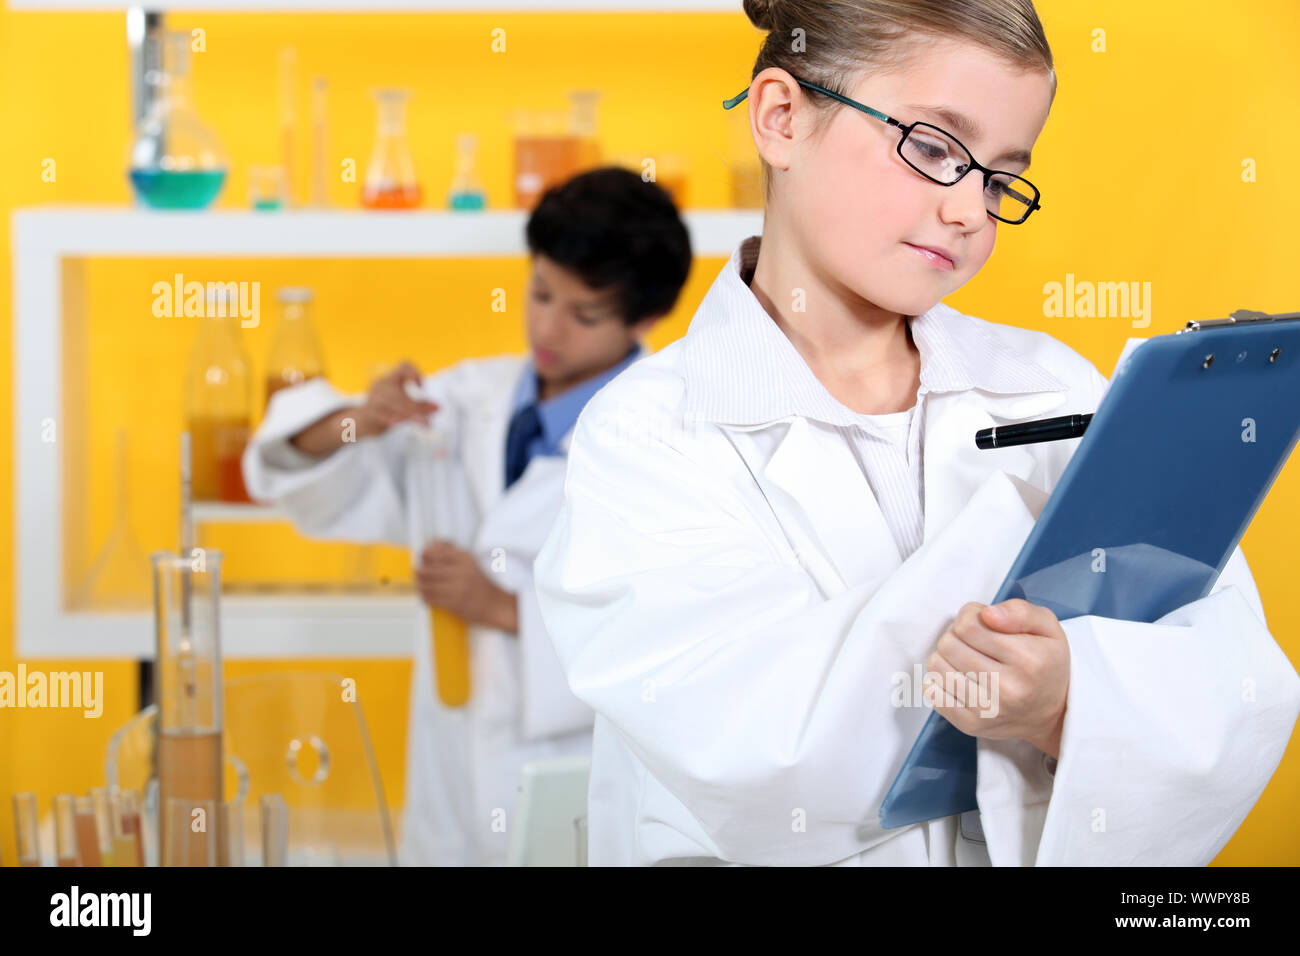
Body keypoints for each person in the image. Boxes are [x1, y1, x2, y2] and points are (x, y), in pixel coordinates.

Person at [532, 0, 1300, 866]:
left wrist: (1068, 698)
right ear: (781, 118)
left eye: (1002, 179)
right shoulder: (649, 435)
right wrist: (1035, 557)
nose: (971, 209)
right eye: (934, 148)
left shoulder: (1055, 385)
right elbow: (766, 749)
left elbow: (1243, 678)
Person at [242, 167, 692, 865]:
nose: (548, 327)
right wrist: (359, 419)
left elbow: (679, 631)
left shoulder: (679, 440)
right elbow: (306, 475)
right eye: (540, 293)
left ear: (643, 319)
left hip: (585, 775)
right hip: (448, 773)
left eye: (583, 314)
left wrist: (502, 608)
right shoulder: (461, 401)